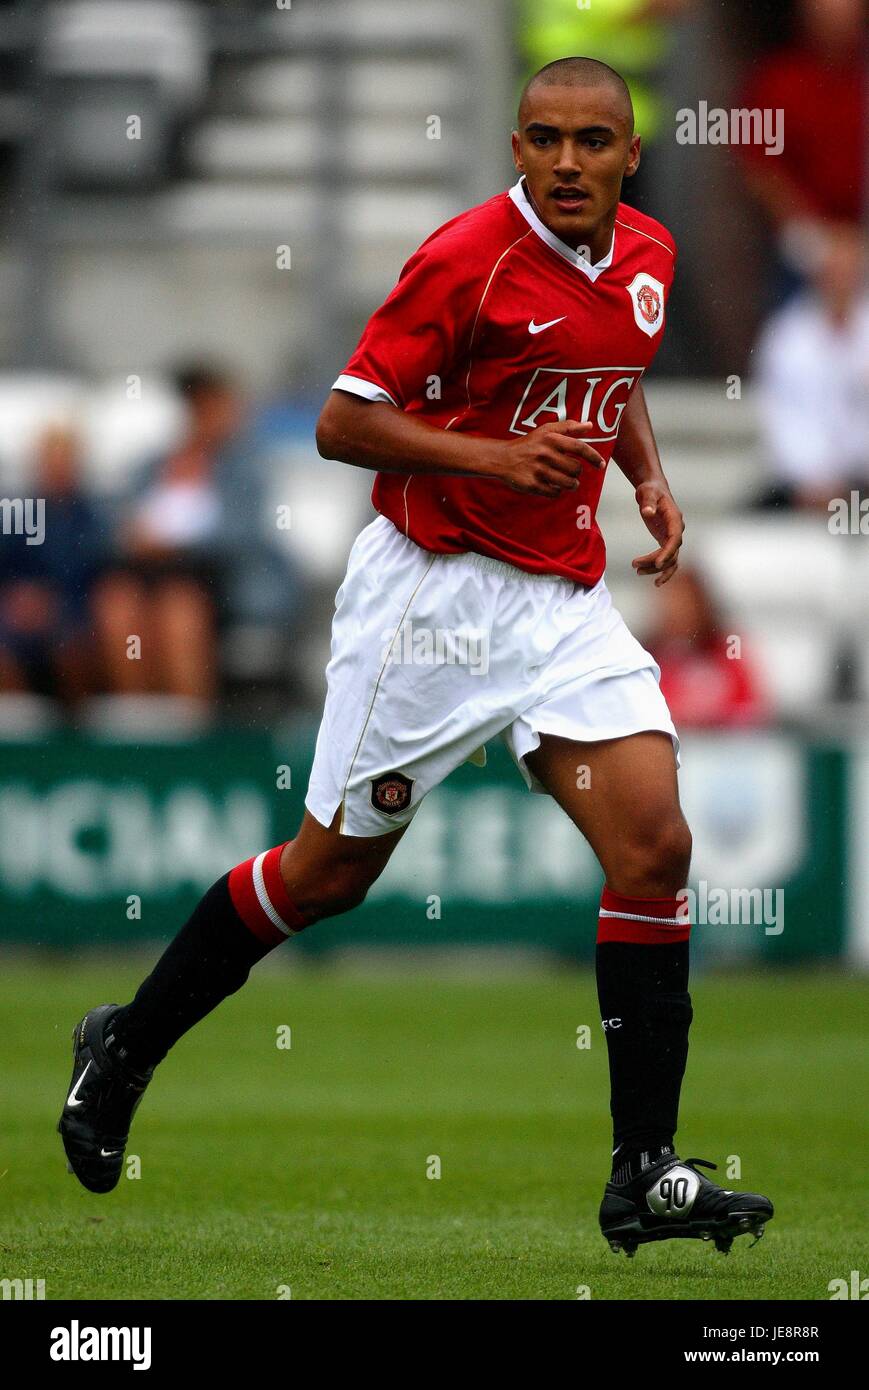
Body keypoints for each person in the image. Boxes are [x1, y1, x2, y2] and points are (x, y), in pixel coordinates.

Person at [59, 57, 773, 1257]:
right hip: (429, 600)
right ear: (513, 145)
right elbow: (343, 421)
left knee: (653, 843)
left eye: (589, 141)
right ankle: (123, 1044)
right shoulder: (465, 259)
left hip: (556, 602)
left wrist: (638, 472)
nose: (563, 162)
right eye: (541, 139)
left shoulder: (647, 256)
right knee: (326, 876)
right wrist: (498, 459)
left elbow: (609, 372)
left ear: (627, 153)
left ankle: (641, 1171)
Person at [0, 425, 108, 706]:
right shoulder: (16, 514)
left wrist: (55, 605)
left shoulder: (93, 518)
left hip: (76, 613)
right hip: (15, 616)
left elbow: (96, 574)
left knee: (74, 650)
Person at [645, 568, 768, 727]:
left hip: (724, 746)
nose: (677, 611)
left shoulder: (730, 649)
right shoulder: (648, 657)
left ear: (700, 603)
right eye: (669, 602)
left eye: (684, 602)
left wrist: (711, 717)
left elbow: (751, 706)